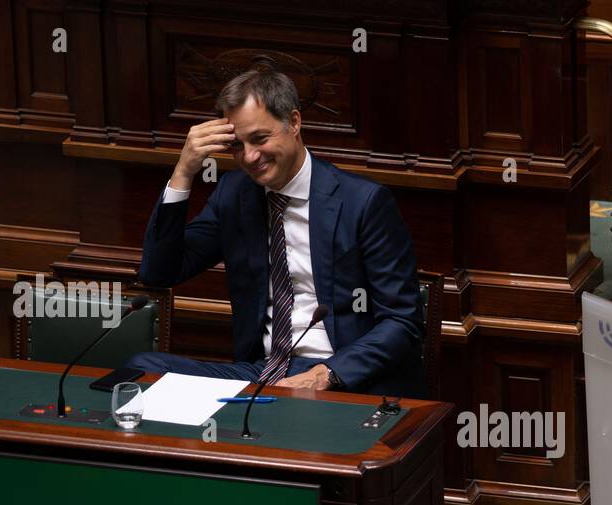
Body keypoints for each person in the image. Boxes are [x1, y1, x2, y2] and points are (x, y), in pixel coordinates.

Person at [130, 67, 425, 397]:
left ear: (294, 123)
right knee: (145, 369)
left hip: (342, 378)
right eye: (237, 146)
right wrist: (184, 171)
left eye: (259, 139)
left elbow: (402, 322)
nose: (250, 157)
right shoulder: (234, 194)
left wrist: (326, 374)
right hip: (264, 372)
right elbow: (158, 273)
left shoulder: (363, 202)